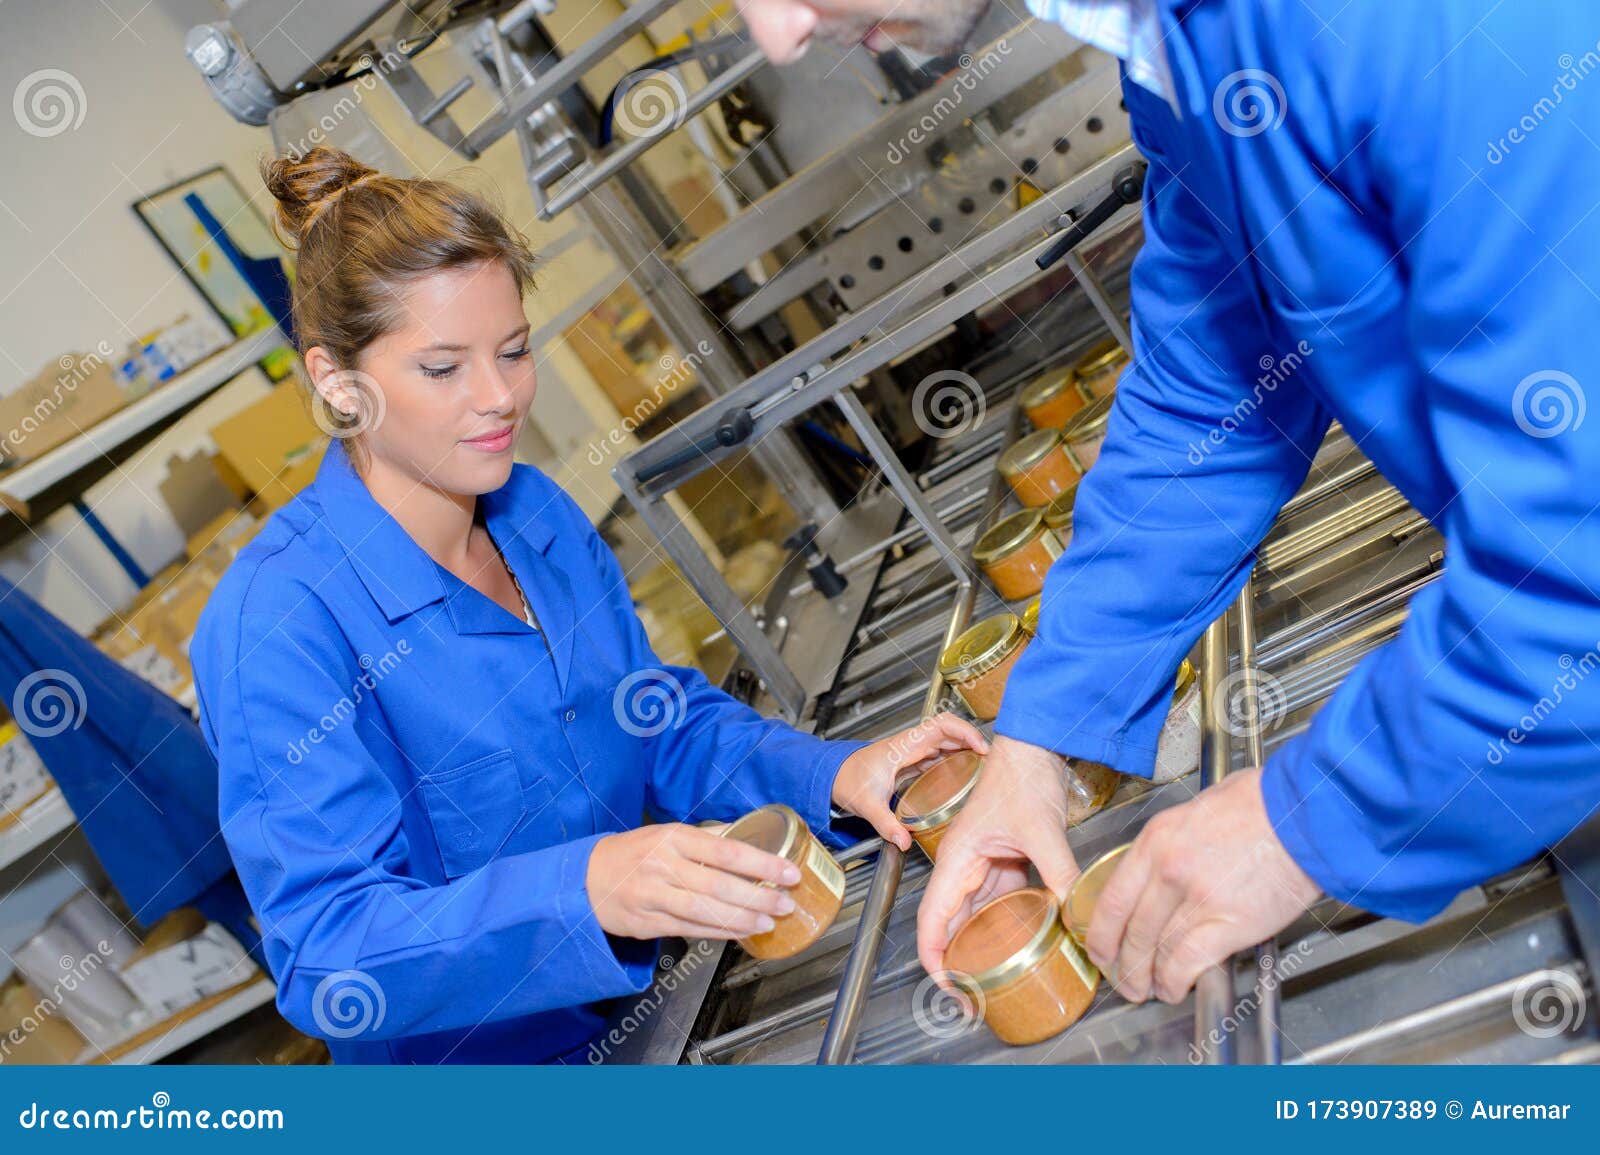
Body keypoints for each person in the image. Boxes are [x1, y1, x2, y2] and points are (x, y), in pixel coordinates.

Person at [734, 0, 1600, 1008]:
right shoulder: (1178, 55)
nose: (776, 36)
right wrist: (1043, 734)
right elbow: (1214, 384)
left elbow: (1576, 571)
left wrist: (1309, 820)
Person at [190, 147, 987, 1064]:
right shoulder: (278, 624)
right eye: (444, 368)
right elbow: (330, 955)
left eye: (515, 350)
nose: (500, 399)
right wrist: (586, 888)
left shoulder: (533, 514)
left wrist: (829, 776)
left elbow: (652, 721)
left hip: (668, 1015)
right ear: (337, 382)